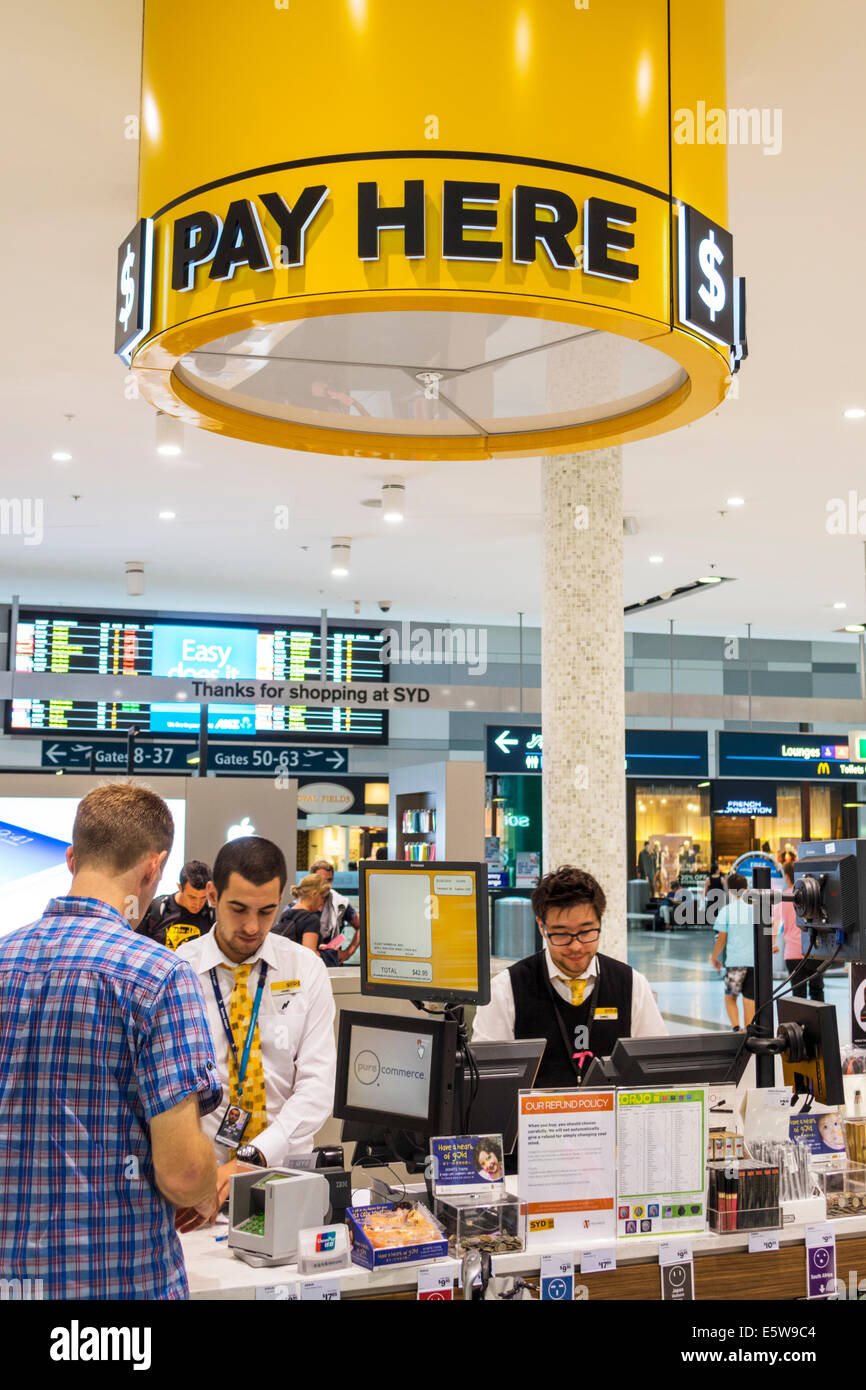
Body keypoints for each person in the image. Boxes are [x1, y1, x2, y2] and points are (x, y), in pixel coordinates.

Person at [0, 783, 221, 1300]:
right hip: (116, 1292)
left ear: (72, 858)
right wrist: (207, 1184)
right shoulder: (159, 977)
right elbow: (184, 1172)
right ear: (153, 869)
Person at [176, 836, 336, 1204]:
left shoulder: (305, 968)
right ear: (213, 896)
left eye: (266, 911)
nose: (251, 926)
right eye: (239, 909)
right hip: (202, 1184)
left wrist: (255, 1156)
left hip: (286, 1177)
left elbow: (316, 1085)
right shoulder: (179, 971)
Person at [472, 865, 667, 1086]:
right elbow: (486, 1082)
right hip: (534, 1118)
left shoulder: (632, 985)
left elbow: (654, 1071)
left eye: (586, 931)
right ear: (541, 927)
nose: (575, 946)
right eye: (562, 934)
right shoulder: (504, 990)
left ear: (600, 922)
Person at [136, 858, 215, 951]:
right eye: (192, 897)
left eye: (203, 898)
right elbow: (138, 946)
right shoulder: (158, 908)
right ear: (180, 887)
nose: (197, 904)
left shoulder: (211, 914)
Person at [710, 871, 755, 1029]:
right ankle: (749, 1033)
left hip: (735, 961)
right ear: (747, 888)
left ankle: (737, 1029)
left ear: (729, 890)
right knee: (750, 999)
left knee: (730, 997)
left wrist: (714, 957)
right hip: (753, 961)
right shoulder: (755, 909)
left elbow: (721, 939)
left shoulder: (726, 911)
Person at [773, 861, 824, 1000]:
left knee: (798, 996)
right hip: (815, 951)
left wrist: (773, 944)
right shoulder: (814, 896)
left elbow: (774, 923)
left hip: (793, 954)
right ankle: (819, 1022)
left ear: (788, 878)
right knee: (817, 992)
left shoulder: (783, 898)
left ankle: (800, 1022)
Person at [310, 857, 360, 964]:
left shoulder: (339, 902)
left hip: (331, 962)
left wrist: (347, 953)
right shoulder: (301, 903)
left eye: (329, 880)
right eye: (321, 880)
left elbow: (362, 926)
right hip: (306, 962)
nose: (326, 884)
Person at [273, 874, 330, 954]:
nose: (322, 903)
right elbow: (309, 955)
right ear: (315, 895)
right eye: (323, 898)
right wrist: (328, 954)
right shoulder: (311, 919)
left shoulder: (287, 912)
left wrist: (318, 946)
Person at [703, 862, 727, 928]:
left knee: (711, 913)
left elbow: (706, 889)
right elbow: (725, 889)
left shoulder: (708, 879)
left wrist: (705, 896)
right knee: (720, 913)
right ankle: (718, 926)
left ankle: (714, 925)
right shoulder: (722, 879)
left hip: (711, 898)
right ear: (716, 870)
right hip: (720, 898)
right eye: (718, 869)